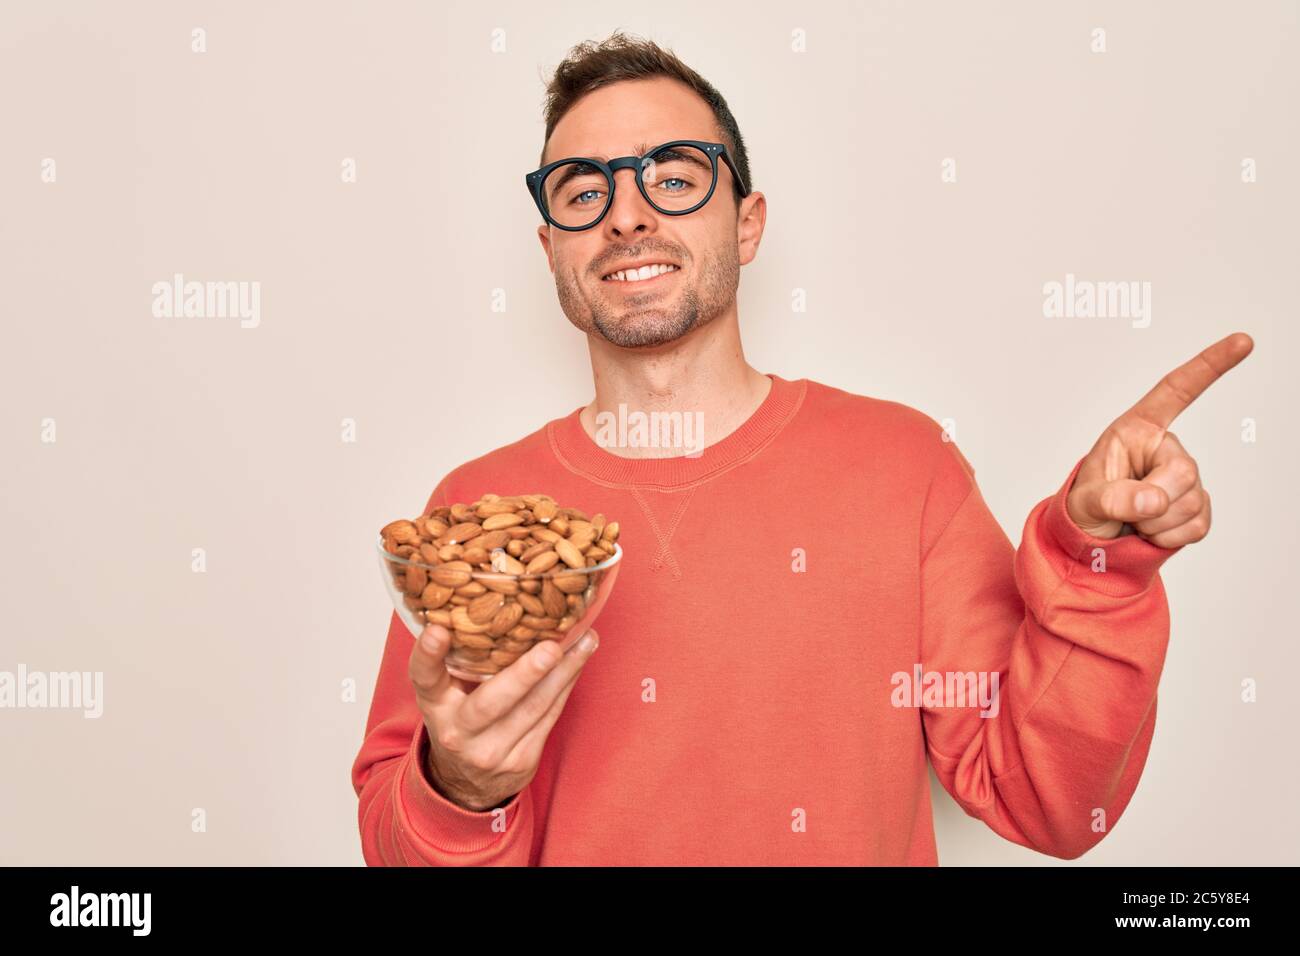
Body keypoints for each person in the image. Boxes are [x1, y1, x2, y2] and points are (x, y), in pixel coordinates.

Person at [350, 31, 1253, 865]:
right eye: (584, 191)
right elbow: (395, 840)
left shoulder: (905, 466)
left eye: (673, 176)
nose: (625, 217)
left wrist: (1098, 566)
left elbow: (1049, 804)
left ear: (747, 223)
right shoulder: (473, 516)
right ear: (550, 247)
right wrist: (460, 788)